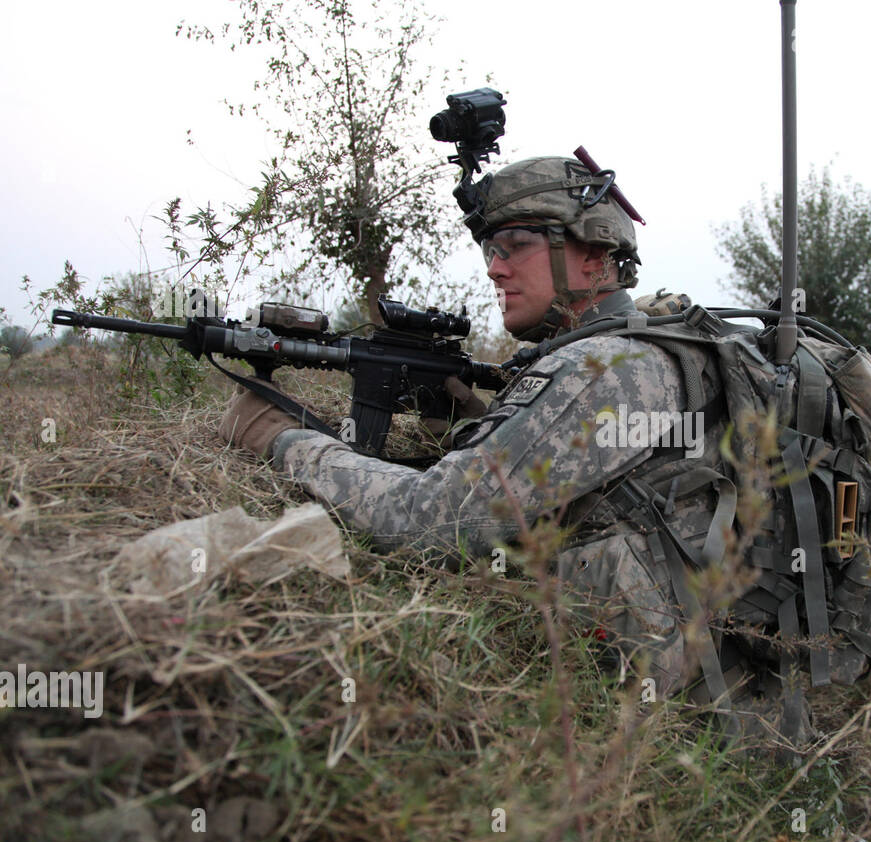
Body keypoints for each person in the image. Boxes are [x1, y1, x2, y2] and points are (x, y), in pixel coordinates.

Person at [218, 155, 806, 745]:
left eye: (516, 245)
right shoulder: (658, 347)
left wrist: (280, 435)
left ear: (594, 255)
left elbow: (427, 522)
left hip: (678, 733)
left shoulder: (601, 368)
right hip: (730, 684)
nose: (496, 270)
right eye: (489, 251)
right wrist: (478, 424)